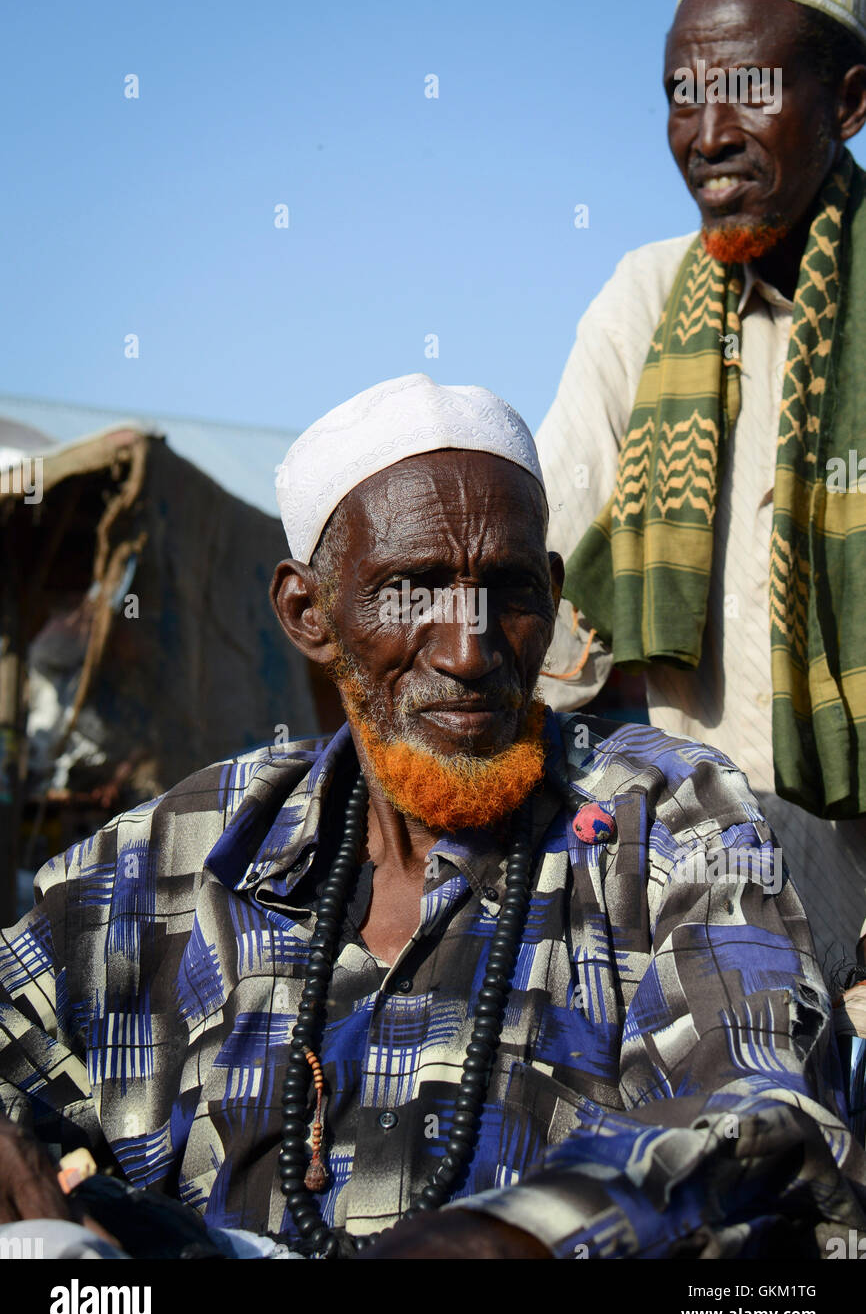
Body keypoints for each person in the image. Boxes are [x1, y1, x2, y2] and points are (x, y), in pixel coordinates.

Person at [0, 373, 864, 1260]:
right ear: (308, 612)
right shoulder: (183, 853)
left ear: (553, 593)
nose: (469, 648)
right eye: (412, 591)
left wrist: (507, 1241)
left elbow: (763, 1117)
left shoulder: (663, 820)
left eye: (511, 589)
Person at [536, 0, 866, 980]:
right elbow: (537, 563)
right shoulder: (643, 303)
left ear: (848, 103)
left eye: (751, 91)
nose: (707, 132)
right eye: (683, 93)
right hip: (703, 853)